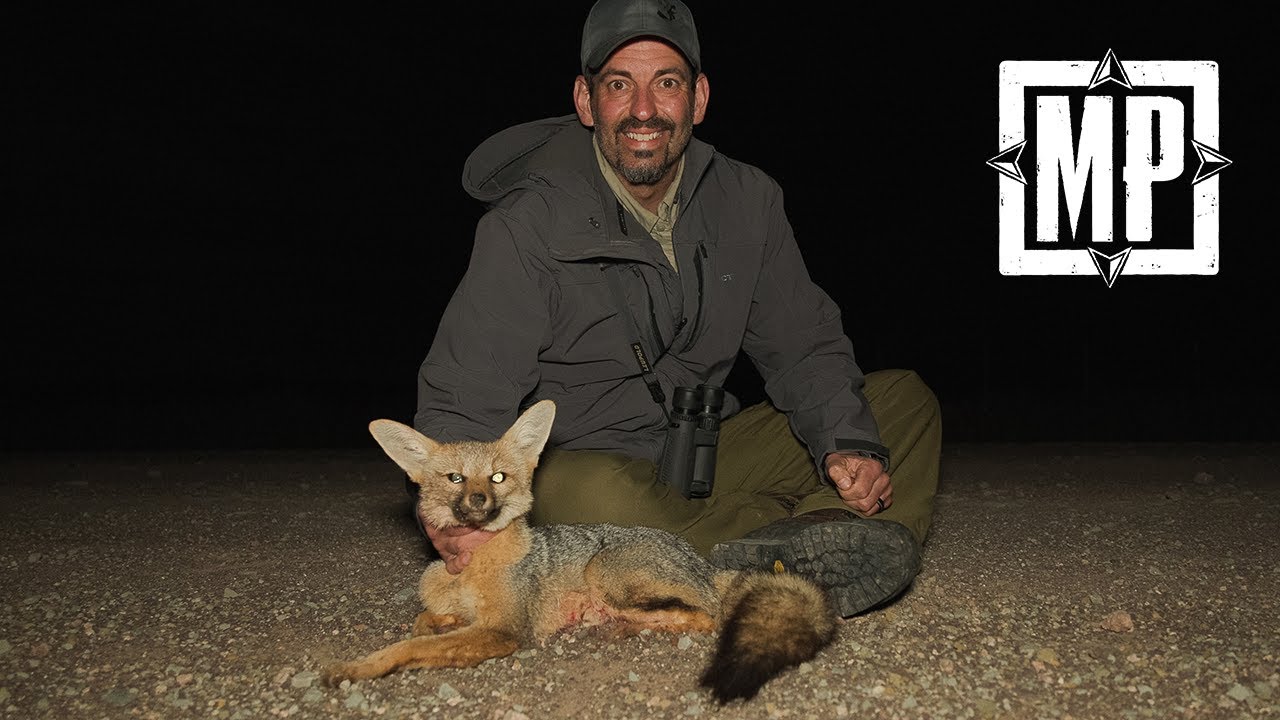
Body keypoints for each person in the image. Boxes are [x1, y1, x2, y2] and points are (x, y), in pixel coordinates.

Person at [407, 0, 942, 618]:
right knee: (578, 495)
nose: (643, 110)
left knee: (902, 404)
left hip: (705, 447)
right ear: (586, 101)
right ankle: (785, 539)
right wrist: (449, 510)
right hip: (592, 462)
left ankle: (812, 535)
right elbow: (468, 380)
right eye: (618, 85)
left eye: (666, 83)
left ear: (699, 98)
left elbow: (804, 344)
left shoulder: (749, 199)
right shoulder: (525, 224)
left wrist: (846, 445)